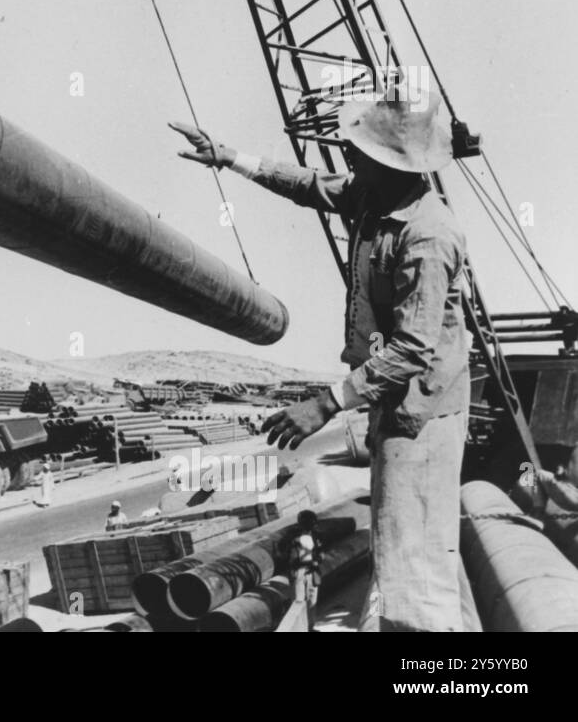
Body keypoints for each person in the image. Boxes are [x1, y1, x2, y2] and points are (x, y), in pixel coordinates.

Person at [170, 84, 470, 631]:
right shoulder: (375, 197)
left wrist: (326, 404)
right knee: (404, 543)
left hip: (421, 412)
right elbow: (309, 185)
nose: (349, 157)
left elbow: (413, 348)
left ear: (397, 165)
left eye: (361, 152)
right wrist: (230, 157)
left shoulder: (426, 235)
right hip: (396, 403)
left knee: (411, 561)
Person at [286, 510, 323, 629]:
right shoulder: (294, 539)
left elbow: (321, 553)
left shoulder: (316, 537)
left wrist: (319, 558)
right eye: (308, 523)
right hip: (300, 572)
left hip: (312, 572)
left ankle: (310, 627)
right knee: (298, 601)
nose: (311, 525)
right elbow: (292, 558)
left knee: (312, 601)